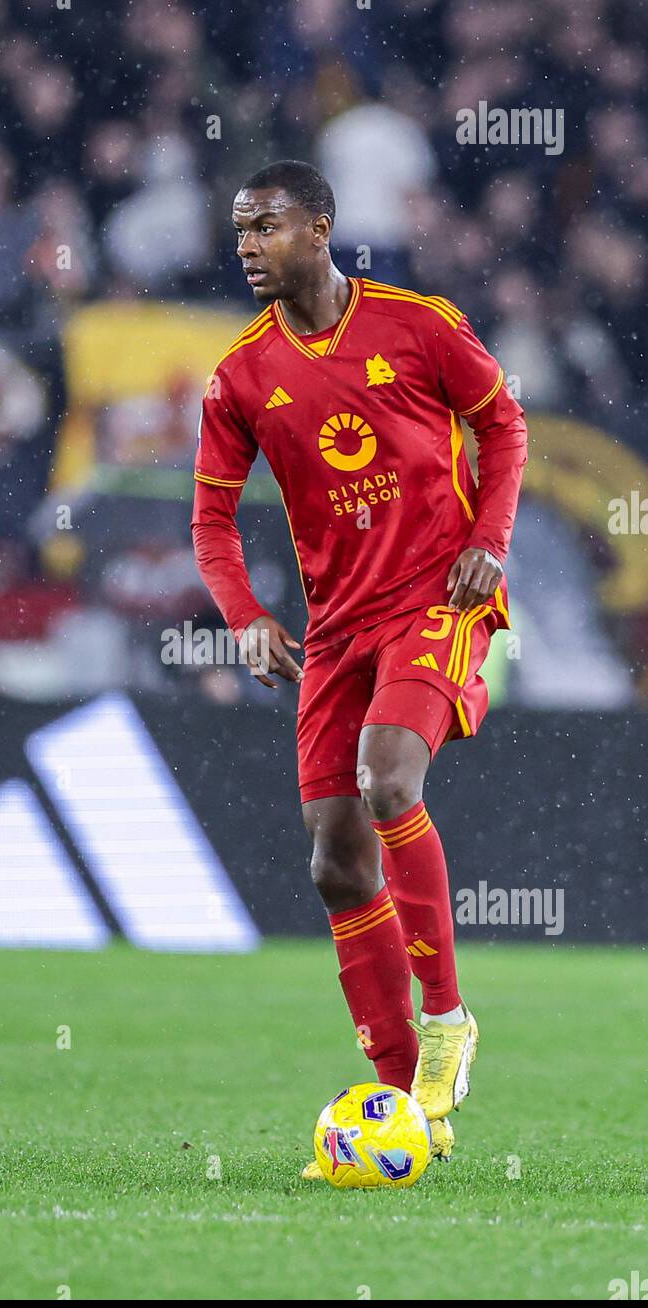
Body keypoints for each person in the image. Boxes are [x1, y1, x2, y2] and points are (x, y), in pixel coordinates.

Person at [191, 160, 526, 1173]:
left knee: (388, 779)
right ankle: (395, 1097)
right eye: (238, 229)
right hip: (333, 628)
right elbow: (208, 519)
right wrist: (247, 615)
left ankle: (447, 1018)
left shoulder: (417, 324)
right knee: (334, 864)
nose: (246, 244)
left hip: (439, 594)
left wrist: (489, 538)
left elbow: (502, 425)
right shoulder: (240, 374)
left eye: (266, 226)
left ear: (320, 228)